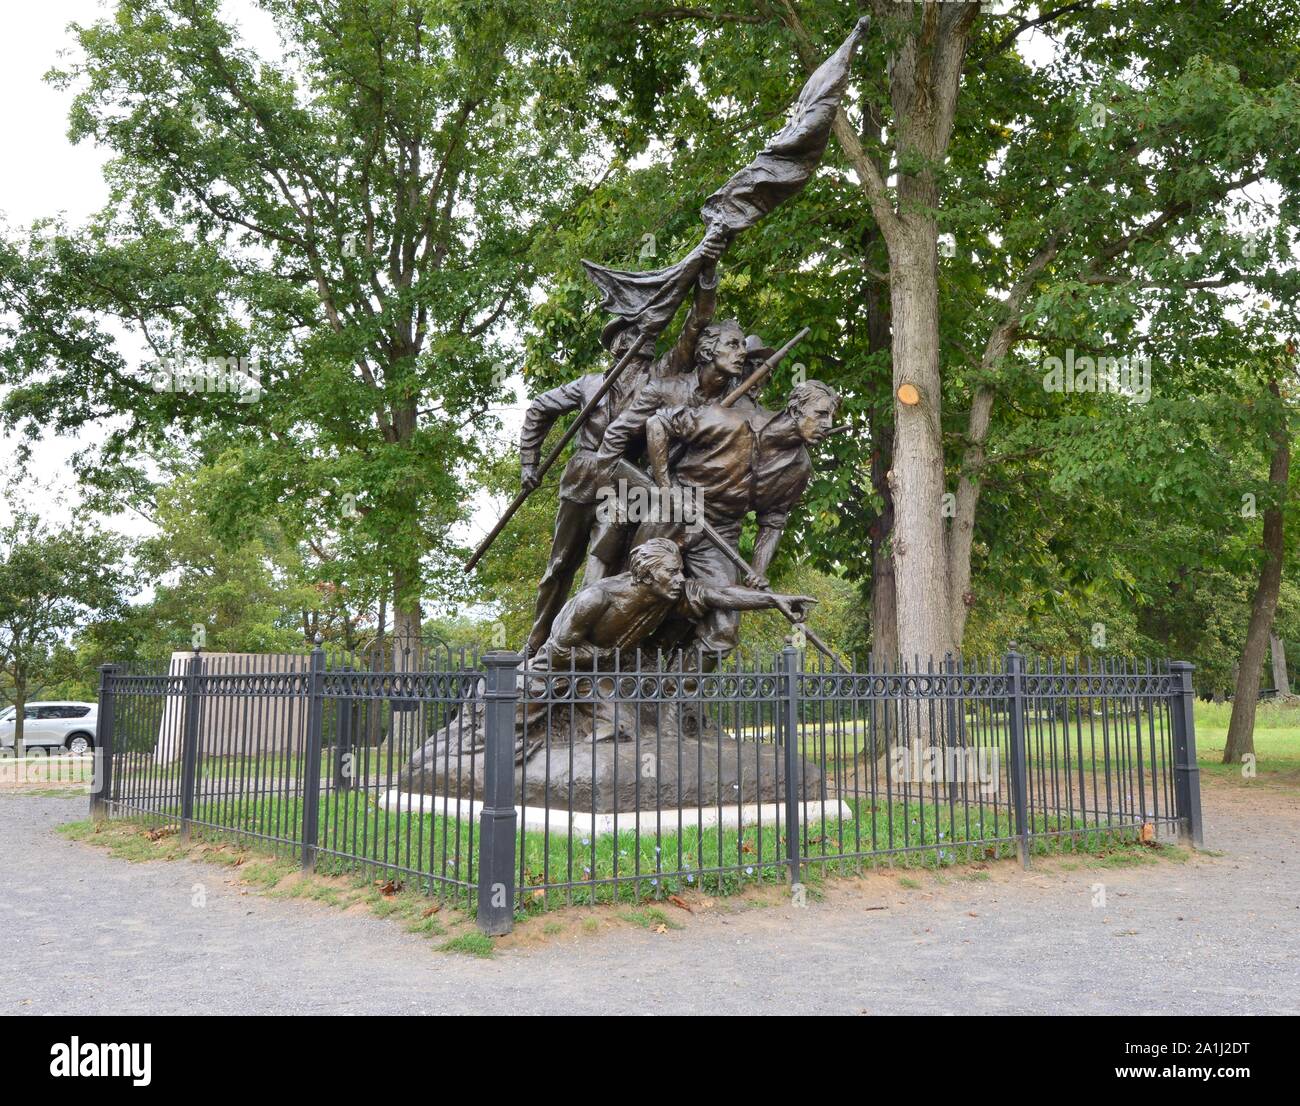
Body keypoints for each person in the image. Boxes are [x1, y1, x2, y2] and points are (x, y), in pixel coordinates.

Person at [517, 234, 724, 657]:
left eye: (646, 334)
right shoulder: (590, 385)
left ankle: (585, 644)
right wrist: (529, 463)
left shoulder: (660, 376)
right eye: (631, 334)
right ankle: (537, 643)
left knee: (603, 561)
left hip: (624, 484)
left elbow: (696, 325)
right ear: (616, 344)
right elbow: (539, 409)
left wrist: (706, 274)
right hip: (581, 477)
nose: (643, 340)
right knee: (559, 566)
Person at [641, 379, 841, 654]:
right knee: (639, 595)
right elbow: (658, 423)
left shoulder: (799, 467)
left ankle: (674, 696)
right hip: (673, 514)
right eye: (821, 414)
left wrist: (758, 570)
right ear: (795, 411)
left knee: (724, 632)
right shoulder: (728, 420)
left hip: (720, 533)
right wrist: (667, 489)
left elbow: (773, 521)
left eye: (831, 416)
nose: (828, 424)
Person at [534, 537, 816, 669]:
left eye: (680, 570)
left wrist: (774, 599)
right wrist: (605, 656)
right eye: (672, 572)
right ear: (645, 573)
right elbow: (557, 652)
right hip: (558, 674)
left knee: (621, 726)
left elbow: (724, 594)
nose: (680, 578)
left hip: (610, 676)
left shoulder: (670, 591)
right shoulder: (596, 598)